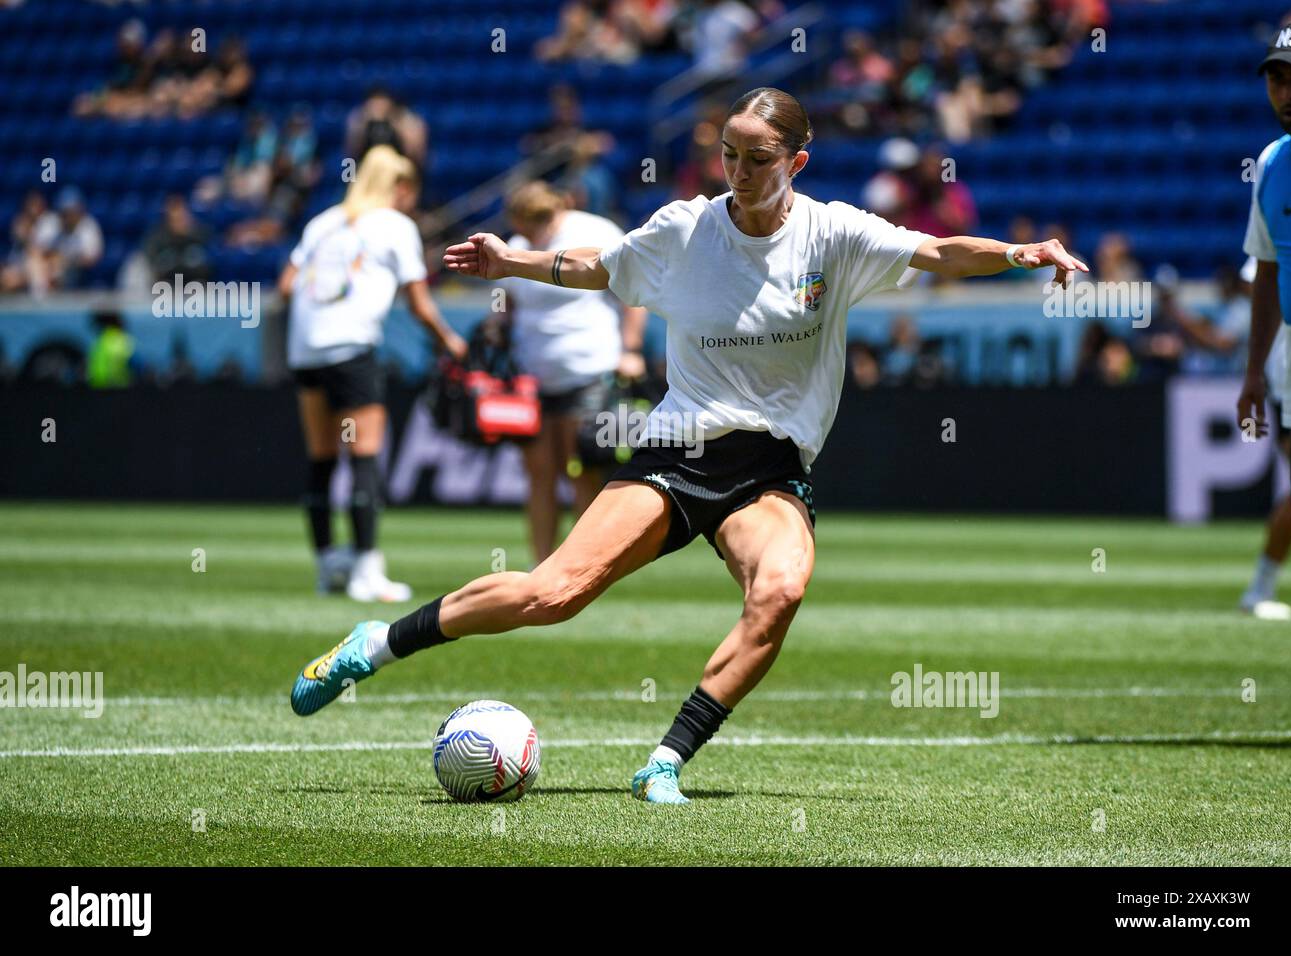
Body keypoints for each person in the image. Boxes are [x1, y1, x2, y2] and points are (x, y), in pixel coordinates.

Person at [288, 87, 1086, 803]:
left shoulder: (835, 235)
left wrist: (1022, 254)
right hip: (675, 453)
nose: (738, 169)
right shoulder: (684, 229)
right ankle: (374, 644)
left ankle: (665, 760)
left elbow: (939, 251)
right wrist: (512, 261)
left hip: (769, 470)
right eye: (730, 153)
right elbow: (602, 267)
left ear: (796, 161)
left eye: (759, 157)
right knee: (553, 594)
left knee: (779, 590)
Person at [278, 145, 467, 602]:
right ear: (400, 187)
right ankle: (366, 568)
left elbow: (286, 286)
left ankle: (328, 567)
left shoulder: (323, 222)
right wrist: (450, 340)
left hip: (305, 349)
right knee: (363, 457)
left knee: (322, 460)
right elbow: (419, 302)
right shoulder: (397, 226)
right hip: (352, 346)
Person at [499, 181, 647, 566]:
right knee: (539, 474)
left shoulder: (595, 232)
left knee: (581, 469)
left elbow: (634, 295)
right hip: (532, 378)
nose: (524, 235)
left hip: (589, 369)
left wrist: (630, 349)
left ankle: (585, 565)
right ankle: (542, 565)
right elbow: (510, 305)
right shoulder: (517, 243)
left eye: (529, 227)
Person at [1236, 25, 1291, 621]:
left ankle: (1259, 585)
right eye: (1278, 80)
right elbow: (1268, 271)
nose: (1288, 92)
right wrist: (1253, 372)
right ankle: (1259, 587)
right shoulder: (1273, 163)